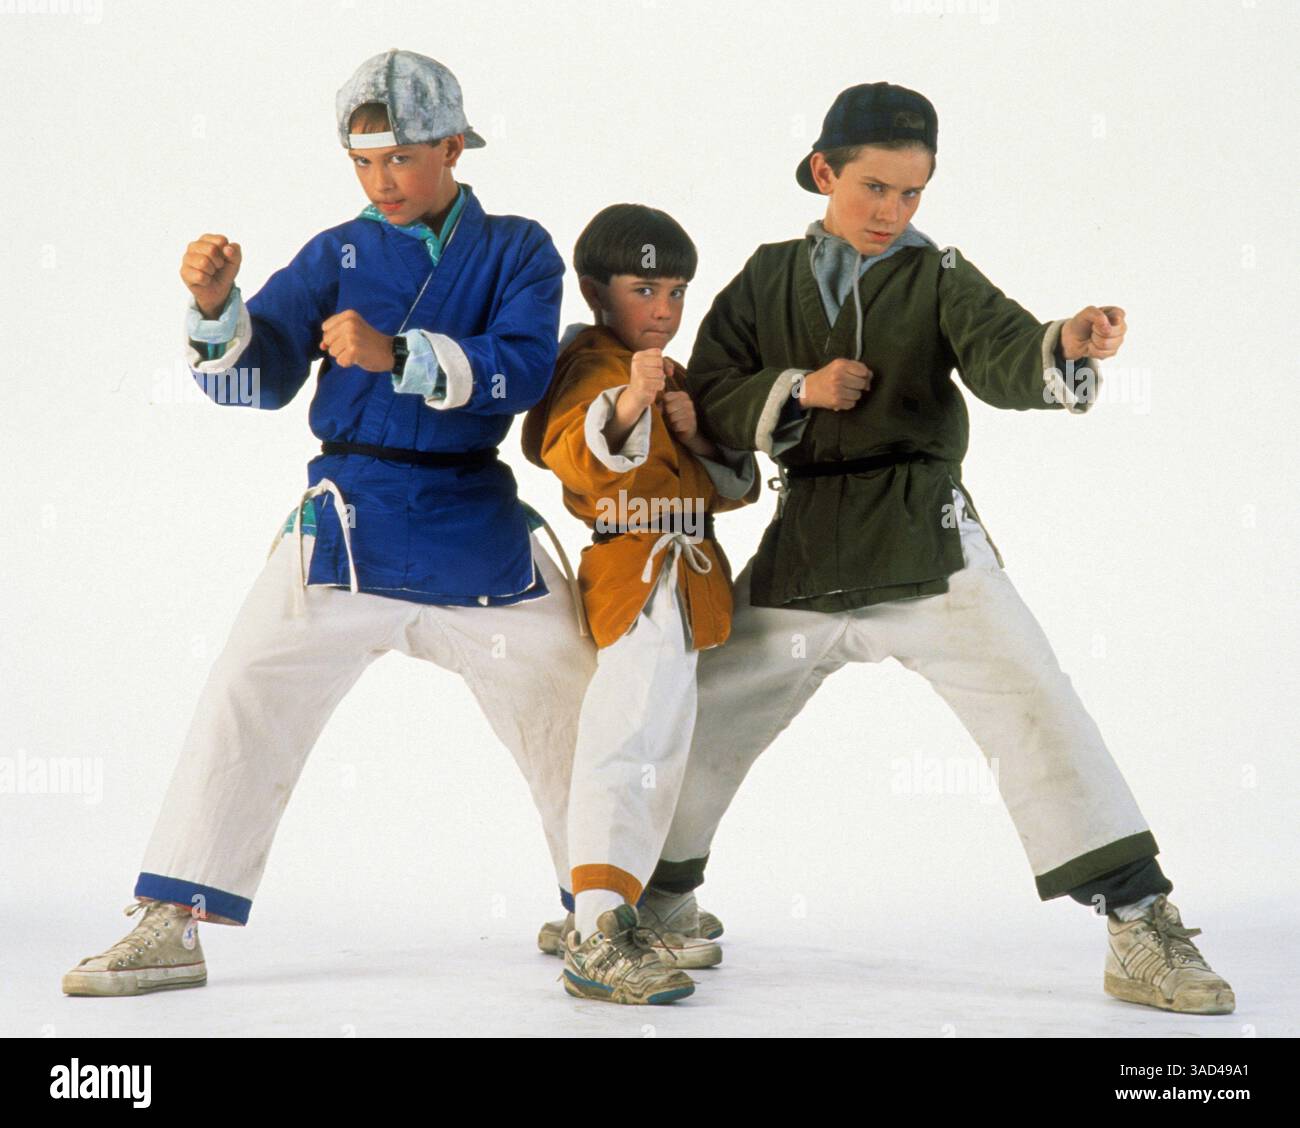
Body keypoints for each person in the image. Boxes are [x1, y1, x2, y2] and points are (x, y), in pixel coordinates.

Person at [646, 82, 1234, 1015]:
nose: (893, 213)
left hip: (923, 533)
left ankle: (1139, 921)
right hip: (809, 541)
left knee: (1035, 703)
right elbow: (709, 392)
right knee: (704, 712)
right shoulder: (764, 278)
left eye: (913, 192)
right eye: (874, 187)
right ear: (822, 171)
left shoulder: (939, 274)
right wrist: (799, 389)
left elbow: (1004, 350)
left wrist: (1064, 342)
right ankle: (655, 900)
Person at [62, 49, 596, 997]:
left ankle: (604, 909)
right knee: (246, 689)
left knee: (574, 692)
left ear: (453, 147)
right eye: (362, 162)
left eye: (400, 159)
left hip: (472, 516)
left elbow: (522, 370)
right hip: (349, 517)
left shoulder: (518, 248)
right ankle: (169, 920)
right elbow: (256, 381)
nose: (380, 182)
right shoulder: (334, 254)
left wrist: (400, 355)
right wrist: (217, 308)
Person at [519, 204, 760, 1004]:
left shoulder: (662, 369)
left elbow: (730, 487)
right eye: (643, 287)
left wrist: (696, 436)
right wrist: (628, 403)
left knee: (664, 746)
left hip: (686, 578)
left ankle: (631, 910)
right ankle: (597, 928)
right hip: (634, 572)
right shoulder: (593, 365)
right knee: (625, 743)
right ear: (595, 291)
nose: (663, 308)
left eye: (677, 291)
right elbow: (573, 456)